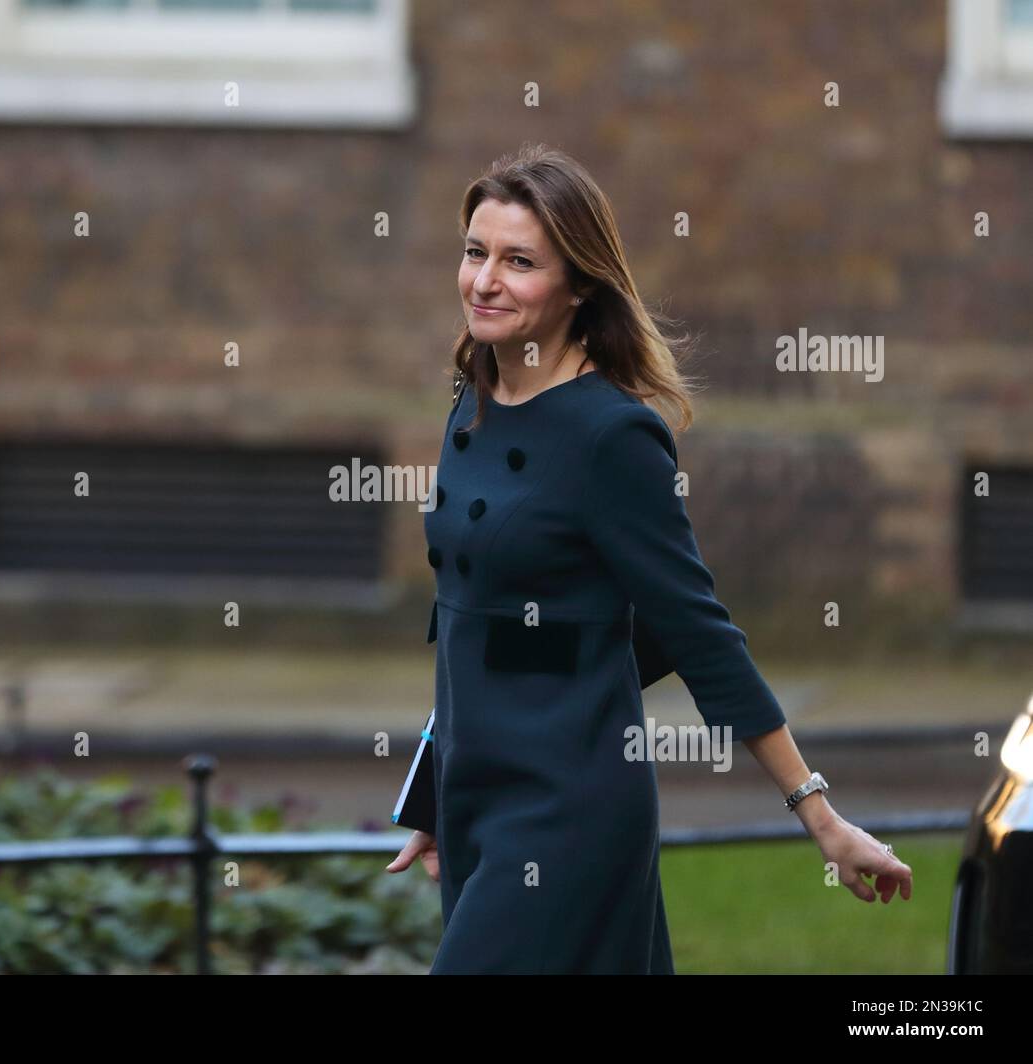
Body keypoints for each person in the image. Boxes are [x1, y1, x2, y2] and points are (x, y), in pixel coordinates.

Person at [385, 143, 912, 974]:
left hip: (569, 807)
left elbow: (693, 633)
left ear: (580, 284)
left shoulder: (613, 437)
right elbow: (471, 619)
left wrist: (821, 816)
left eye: (518, 261)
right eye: (474, 251)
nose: (484, 281)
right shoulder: (475, 395)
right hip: (479, 800)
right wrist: (432, 790)